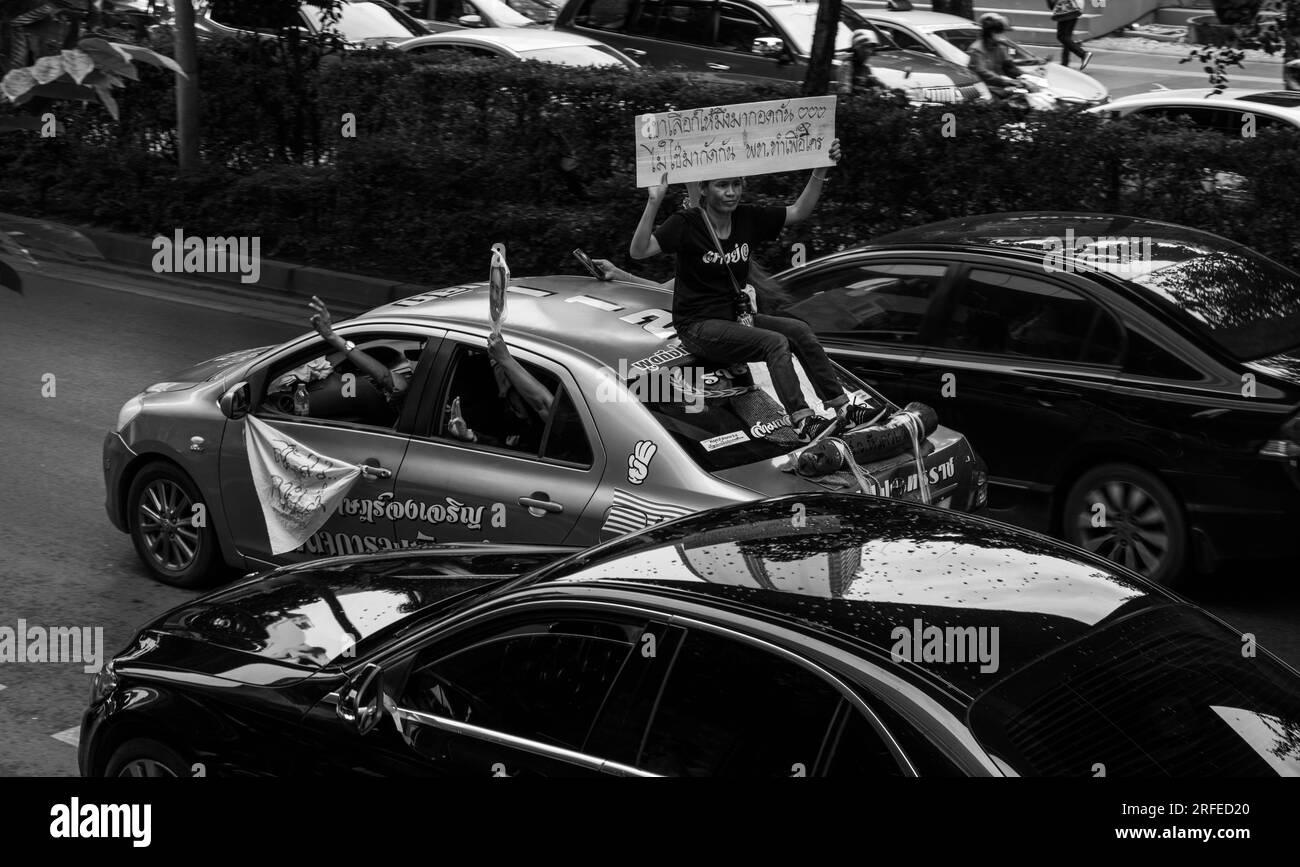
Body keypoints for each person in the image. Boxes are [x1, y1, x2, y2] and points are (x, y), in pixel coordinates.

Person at [628, 144, 850, 442]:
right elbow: (639, 251)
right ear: (704, 189)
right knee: (775, 343)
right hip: (698, 327)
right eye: (722, 185)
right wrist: (654, 201)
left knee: (799, 330)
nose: (731, 192)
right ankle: (802, 420)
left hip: (736, 319)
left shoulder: (747, 218)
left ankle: (842, 409)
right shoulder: (687, 223)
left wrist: (820, 171)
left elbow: (799, 212)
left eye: (736, 184)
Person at [445, 332, 554, 449]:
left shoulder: (549, 428)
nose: (501, 394)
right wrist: (469, 435)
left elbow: (548, 408)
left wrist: (505, 359)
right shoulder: (501, 415)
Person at [967, 13, 1041, 101]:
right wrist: (1009, 82)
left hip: (1001, 88)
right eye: (999, 32)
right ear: (990, 32)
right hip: (986, 91)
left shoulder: (1000, 46)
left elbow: (1009, 67)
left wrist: (1026, 76)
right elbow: (984, 73)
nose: (1002, 35)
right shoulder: (976, 50)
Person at [838, 29, 888, 95]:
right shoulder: (847, 66)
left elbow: (875, 83)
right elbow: (844, 90)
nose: (868, 51)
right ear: (857, 48)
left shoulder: (865, 68)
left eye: (871, 48)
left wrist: (883, 89)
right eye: (865, 47)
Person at [1047, 0, 1092, 70]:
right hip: (1074, 9)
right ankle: (1065, 63)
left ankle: (1083, 54)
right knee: (1067, 37)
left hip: (1066, 11)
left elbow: (1052, 5)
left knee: (1062, 36)